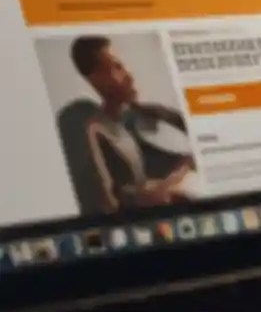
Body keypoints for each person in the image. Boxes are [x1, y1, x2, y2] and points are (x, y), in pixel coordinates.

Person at [63, 36, 195, 215]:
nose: (130, 77)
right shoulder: (90, 124)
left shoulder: (128, 122)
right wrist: (179, 173)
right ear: (94, 79)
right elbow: (108, 204)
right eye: (117, 67)